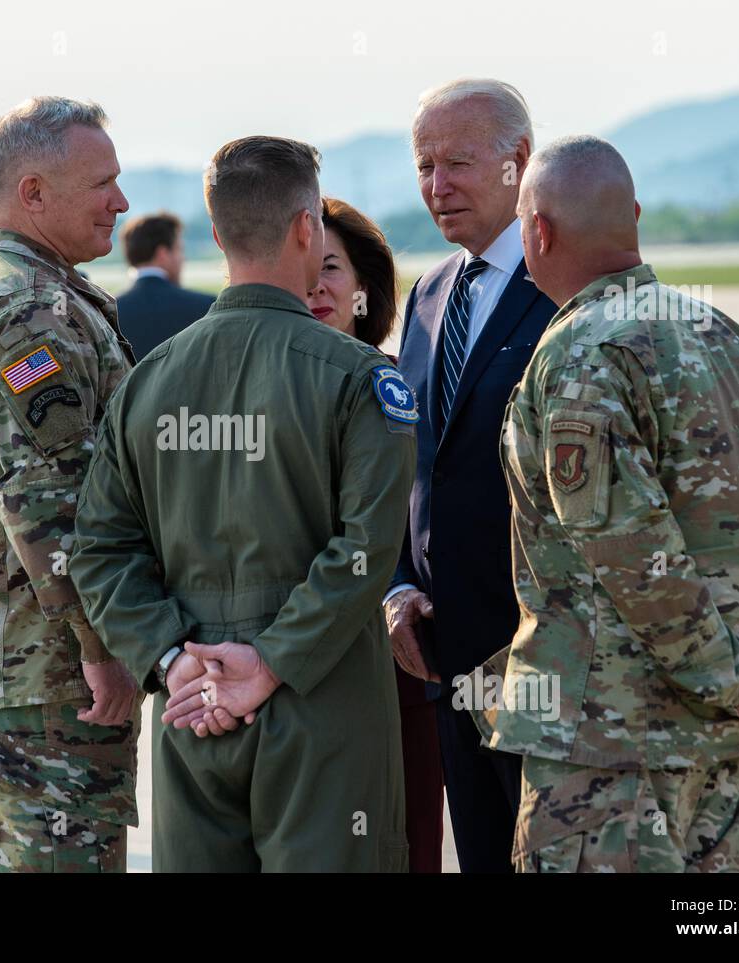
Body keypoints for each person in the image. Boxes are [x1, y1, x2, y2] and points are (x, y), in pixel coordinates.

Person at [480, 134, 739, 872]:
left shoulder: (578, 355)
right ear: (632, 215)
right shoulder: (723, 335)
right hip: (725, 751)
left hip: (610, 755)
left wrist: (731, 680)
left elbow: (629, 549)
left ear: (537, 232)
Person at [71, 135, 417, 872]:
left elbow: (100, 548)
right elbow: (367, 545)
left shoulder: (148, 381)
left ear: (219, 236)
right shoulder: (357, 378)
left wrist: (171, 659)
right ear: (304, 230)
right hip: (320, 706)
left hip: (193, 707)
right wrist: (270, 661)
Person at [0, 96, 139, 873]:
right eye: (102, 182)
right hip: (44, 669)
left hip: (4, 658)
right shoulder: (29, 311)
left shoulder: (1, 289)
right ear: (33, 194)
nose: (122, 201)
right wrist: (101, 647)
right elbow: (48, 500)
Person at [383, 78, 557, 872]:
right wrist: (395, 586)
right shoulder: (427, 294)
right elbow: (407, 465)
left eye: (456, 163)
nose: (435, 186)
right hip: (447, 656)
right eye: (424, 165)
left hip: (546, 662)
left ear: (517, 163)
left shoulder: (566, 289)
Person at [306, 195, 445, 873]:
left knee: (407, 840)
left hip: (393, 661)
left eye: (330, 266)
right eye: (300, 266)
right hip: (293, 669)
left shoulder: (399, 383)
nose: (314, 286)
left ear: (366, 284)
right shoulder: (259, 388)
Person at [115, 211, 214, 358]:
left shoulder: (108, 312)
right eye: (179, 250)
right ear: (162, 254)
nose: (183, 259)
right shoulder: (207, 307)